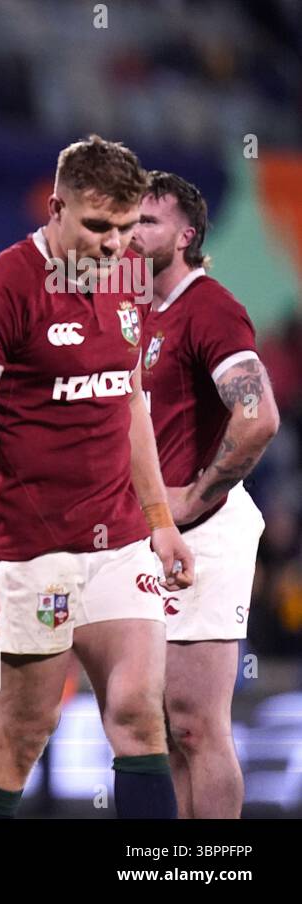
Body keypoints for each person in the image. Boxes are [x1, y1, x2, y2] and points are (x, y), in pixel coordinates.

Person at [0, 136, 195, 819]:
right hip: (28, 550)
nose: (113, 244)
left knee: (140, 715)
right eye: (97, 226)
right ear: (56, 208)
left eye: (127, 227)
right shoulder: (2, 290)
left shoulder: (130, 277)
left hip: (120, 542)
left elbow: (130, 400)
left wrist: (161, 521)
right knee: (19, 736)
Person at [130, 171, 279, 817]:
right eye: (130, 221)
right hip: (150, 532)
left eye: (150, 223)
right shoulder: (137, 310)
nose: (134, 233)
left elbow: (260, 415)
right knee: (160, 725)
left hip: (204, 530)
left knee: (195, 723)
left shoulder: (209, 303)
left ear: (187, 235)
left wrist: (192, 497)